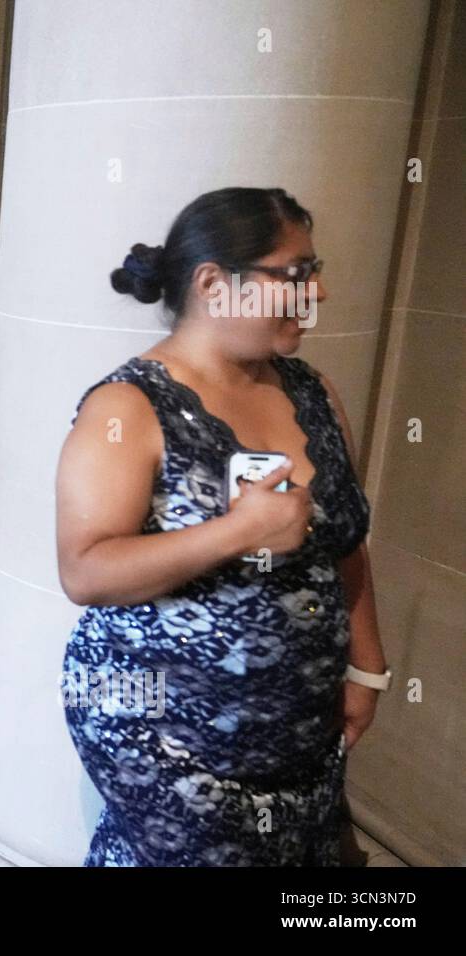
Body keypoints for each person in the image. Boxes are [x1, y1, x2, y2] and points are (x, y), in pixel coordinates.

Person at [56, 187, 391, 865]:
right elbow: (85, 571)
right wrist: (237, 533)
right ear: (214, 283)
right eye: (295, 274)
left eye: (314, 269)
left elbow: (345, 542)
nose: (317, 291)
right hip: (162, 735)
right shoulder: (129, 406)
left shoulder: (313, 392)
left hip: (299, 737)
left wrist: (368, 667)